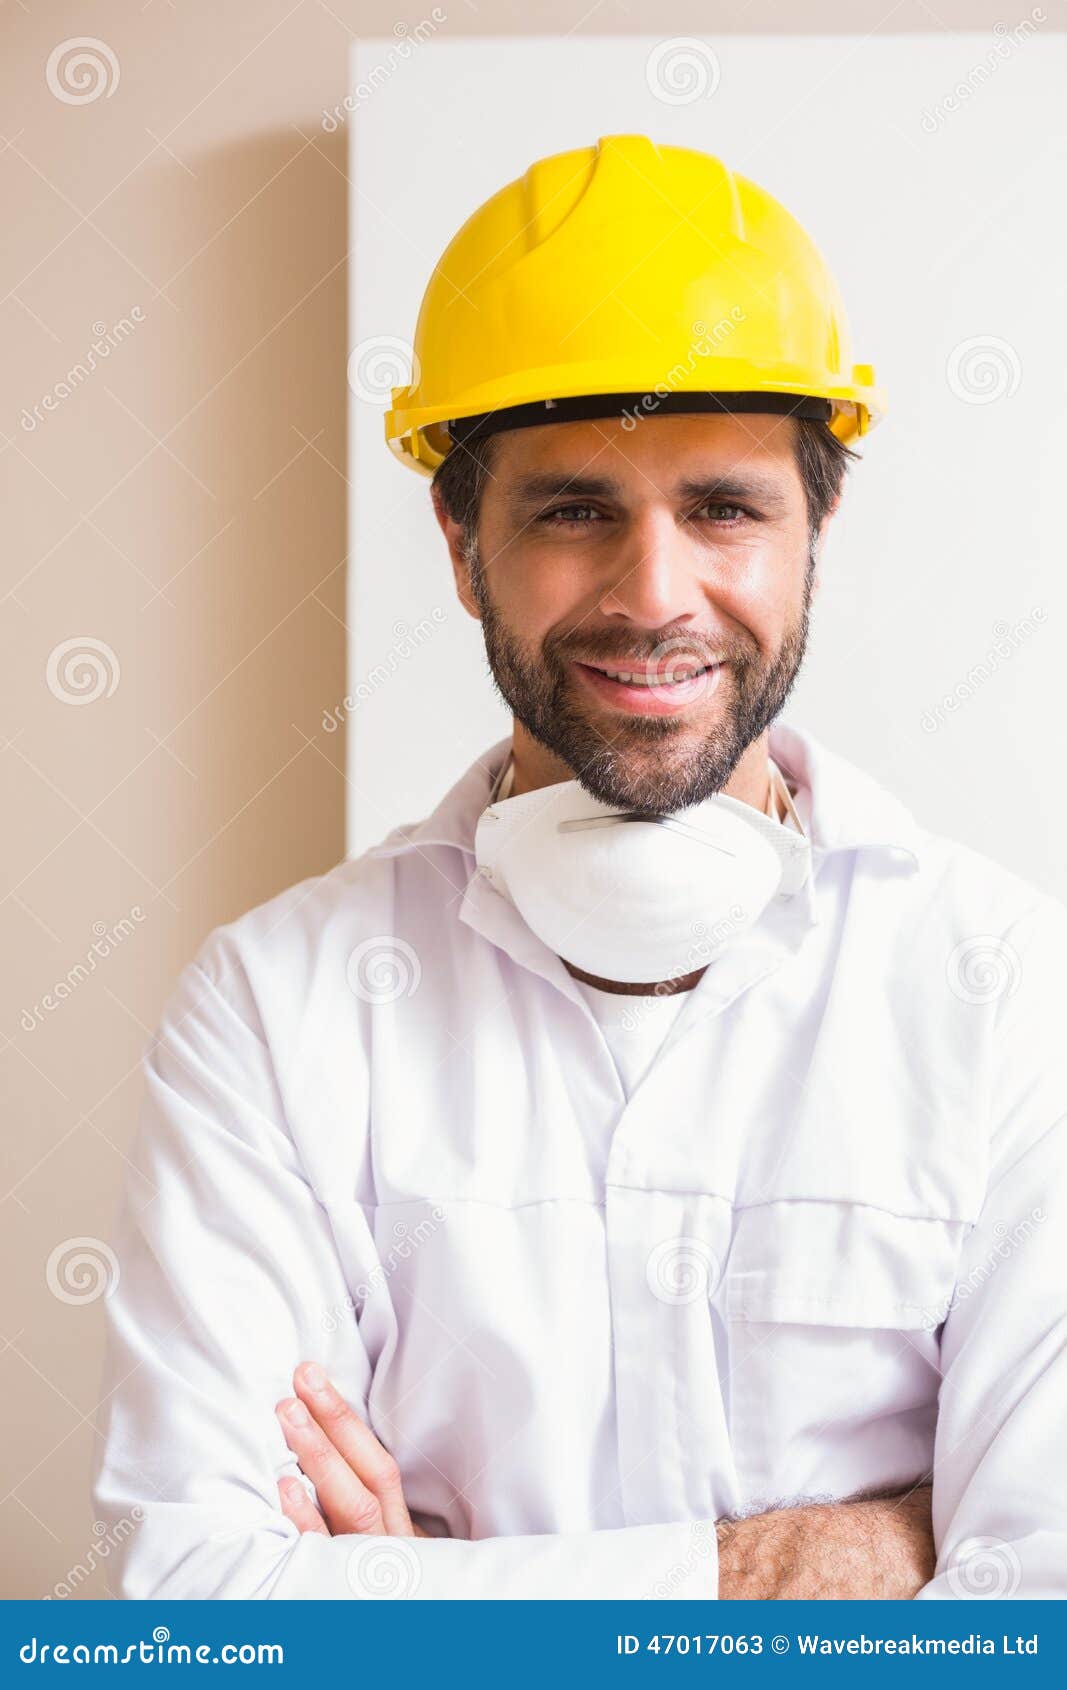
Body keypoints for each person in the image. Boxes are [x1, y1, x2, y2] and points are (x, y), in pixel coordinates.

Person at [91, 134, 1066, 1600]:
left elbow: (1037, 1605)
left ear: (819, 528)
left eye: (725, 507)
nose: (655, 592)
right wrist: (813, 1557)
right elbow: (203, 1600)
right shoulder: (275, 1009)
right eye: (572, 510)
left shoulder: (1004, 991)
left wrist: (444, 1597)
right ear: (461, 539)